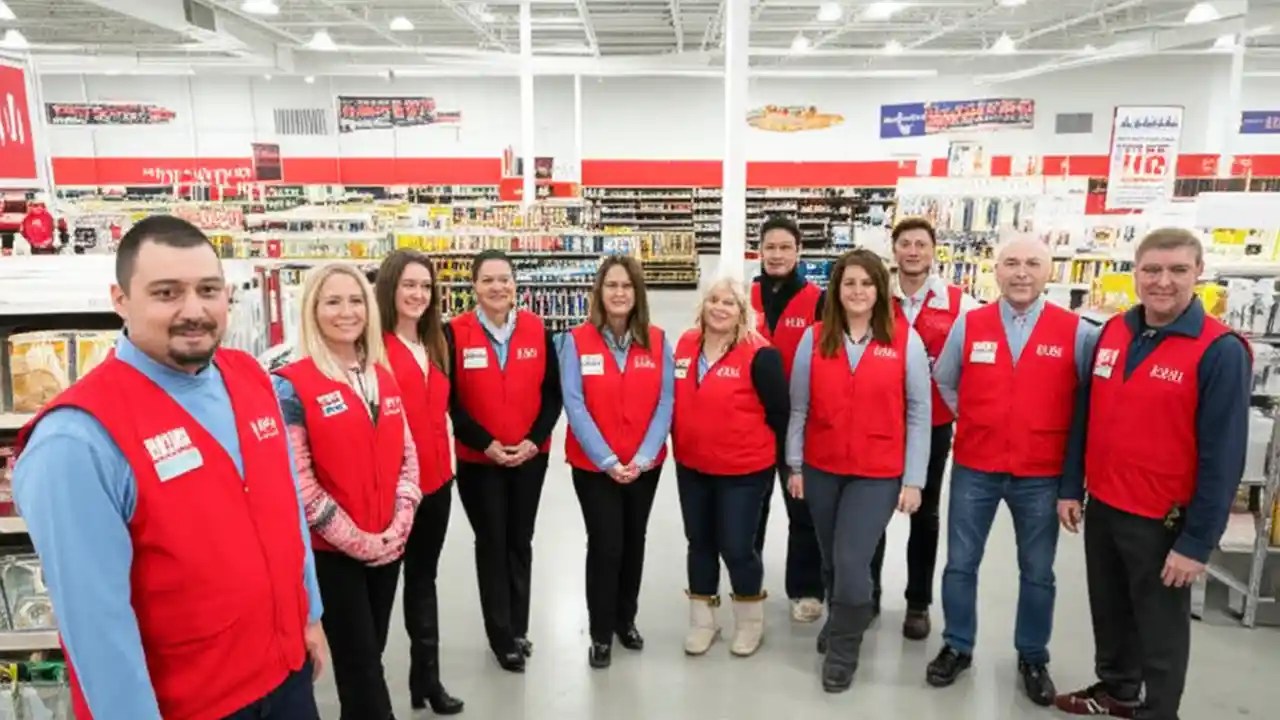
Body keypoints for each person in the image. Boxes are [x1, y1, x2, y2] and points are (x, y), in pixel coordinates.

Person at [12, 215, 327, 720]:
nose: (194, 310)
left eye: (208, 290)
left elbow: (285, 505)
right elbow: (96, 625)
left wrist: (309, 614)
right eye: (166, 293)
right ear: (120, 300)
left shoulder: (251, 378)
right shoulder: (76, 440)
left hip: (285, 677)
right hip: (190, 705)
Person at [1055, 229, 1251, 720]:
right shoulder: (1113, 331)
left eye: (1178, 270)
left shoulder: (1220, 350)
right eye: (1152, 270)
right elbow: (1086, 414)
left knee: (1160, 628)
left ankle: (1160, 711)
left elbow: (1224, 457)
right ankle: (1119, 691)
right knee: (1111, 610)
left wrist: (1197, 542)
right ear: (1135, 274)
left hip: (1164, 520)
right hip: (1104, 504)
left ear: (1199, 273)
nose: (1163, 282)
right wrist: (1070, 486)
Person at [928, 237, 1098, 706]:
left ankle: (1032, 656)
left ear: (1049, 272)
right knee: (961, 564)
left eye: (1032, 264)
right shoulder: (971, 324)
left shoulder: (1077, 331)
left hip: (1041, 473)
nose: (1021, 273)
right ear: (995, 271)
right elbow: (944, 378)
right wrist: (978, 416)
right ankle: (957, 645)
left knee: (1038, 570)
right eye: (1011, 263)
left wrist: (1073, 478)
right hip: (975, 467)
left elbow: (1087, 403)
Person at [274, 262, 422, 720]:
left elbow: (407, 456)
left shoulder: (382, 374)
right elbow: (303, 486)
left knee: (369, 657)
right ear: (312, 309)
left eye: (356, 300)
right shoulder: (290, 384)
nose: (347, 312)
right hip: (332, 556)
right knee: (360, 669)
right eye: (332, 301)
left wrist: (399, 525)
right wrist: (362, 542)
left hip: (387, 546)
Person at [786, 249, 930, 692]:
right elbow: (799, 407)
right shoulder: (814, 339)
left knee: (851, 561)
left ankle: (844, 651)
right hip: (822, 467)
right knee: (831, 557)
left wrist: (914, 479)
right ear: (837, 289)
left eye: (866, 283)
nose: (858, 291)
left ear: (879, 290)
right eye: (849, 283)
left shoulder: (905, 341)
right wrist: (795, 464)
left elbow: (919, 411)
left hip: (878, 472)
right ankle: (841, 616)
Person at [447, 249, 562, 673]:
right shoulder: (454, 333)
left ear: (516, 285)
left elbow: (553, 394)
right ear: (474, 286)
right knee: (492, 543)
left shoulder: (537, 329)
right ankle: (501, 636)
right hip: (479, 461)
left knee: (520, 541)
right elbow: (451, 403)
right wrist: (486, 443)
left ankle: (518, 627)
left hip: (531, 457)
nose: (498, 287)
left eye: (505, 279)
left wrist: (534, 441)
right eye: (488, 280)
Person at [558, 255, 674, 669]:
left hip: (645, 464)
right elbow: (574, 402)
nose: (620, 293)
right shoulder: (576, 340)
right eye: (612, 286)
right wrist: (606, 458)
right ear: (600, 293)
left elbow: (666, 401)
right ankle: (600, 631)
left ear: (637, 293)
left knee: (634, 541)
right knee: (606, 545)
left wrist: (643, 457)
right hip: (594, 467)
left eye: (627, 286)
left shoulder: (658, 341)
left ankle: (627, 619)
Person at [671, 278, 789, 658]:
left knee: (737, 547)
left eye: (730, 303)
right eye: (713, 300)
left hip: (744, 471)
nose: (720, 308)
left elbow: (779, 414)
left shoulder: (760, 355)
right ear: (702, 305)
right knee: (699, 543)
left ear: (743, 312)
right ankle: (703, 622)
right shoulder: (686, 344)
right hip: (691, 465)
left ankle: (750, 622)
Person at [872, 217, 978, 638]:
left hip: (934, 424)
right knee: (872, 510)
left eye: (921, 244)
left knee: (926, 512)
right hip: (878, 422)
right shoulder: (877, 298)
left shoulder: (960, 303)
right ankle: (868, 593)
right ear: (893, 250)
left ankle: (918, 603)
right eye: (905, 244)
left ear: (934, 251)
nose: (913, 251)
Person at [375, 250, 465, 714]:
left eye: (426, 287)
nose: (418, 295)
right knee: (383, 592)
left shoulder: (436, 342)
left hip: (437, 482)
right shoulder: (373, 348)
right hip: (390, 492)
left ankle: (426, 679)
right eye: (409, 285)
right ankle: (372, 693)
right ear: (390, 288)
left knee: (424, 581)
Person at [749, 216, 827, 623]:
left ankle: (806, 589)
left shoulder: (818, 300)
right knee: (751, 509)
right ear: (759, 251)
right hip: (752, 422)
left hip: (800, 424)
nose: (777, 255)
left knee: (802, 508)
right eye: (770, 247)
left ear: (798, 251)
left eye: (785, 247)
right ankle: (750, 588)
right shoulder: (746, 297)